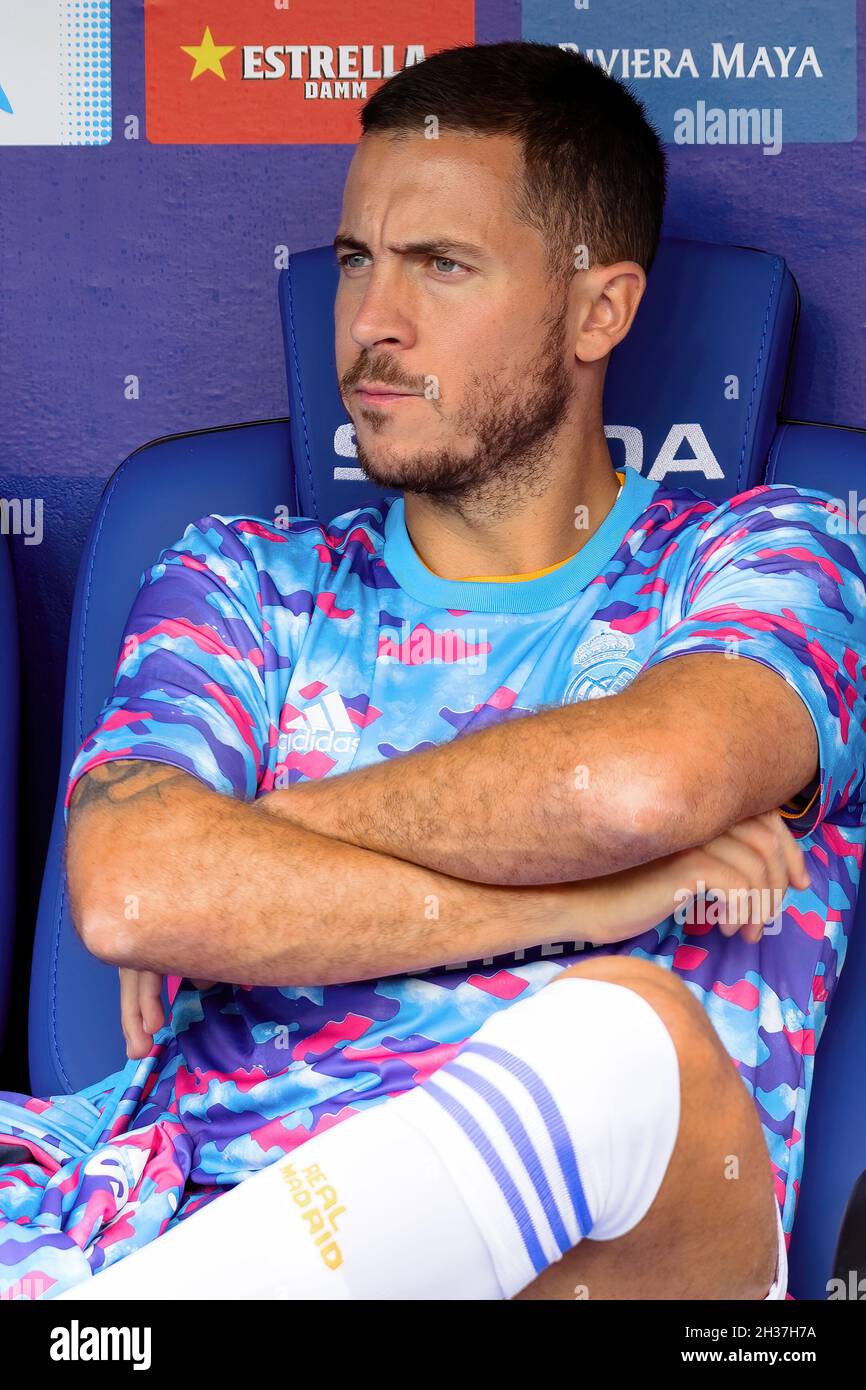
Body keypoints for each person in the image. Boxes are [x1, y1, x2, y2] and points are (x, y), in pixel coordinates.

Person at [2, 40, 864, 1301]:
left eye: (440, 267)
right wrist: (567, 904)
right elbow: (131, 888)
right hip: (188, 1206)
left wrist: (244, 850)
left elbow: (636, 787)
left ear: (597, 310)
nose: (371, 324)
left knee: (620, 1033)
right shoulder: (245, 575)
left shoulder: (766, 555)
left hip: (616, 1244)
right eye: (357, 262)